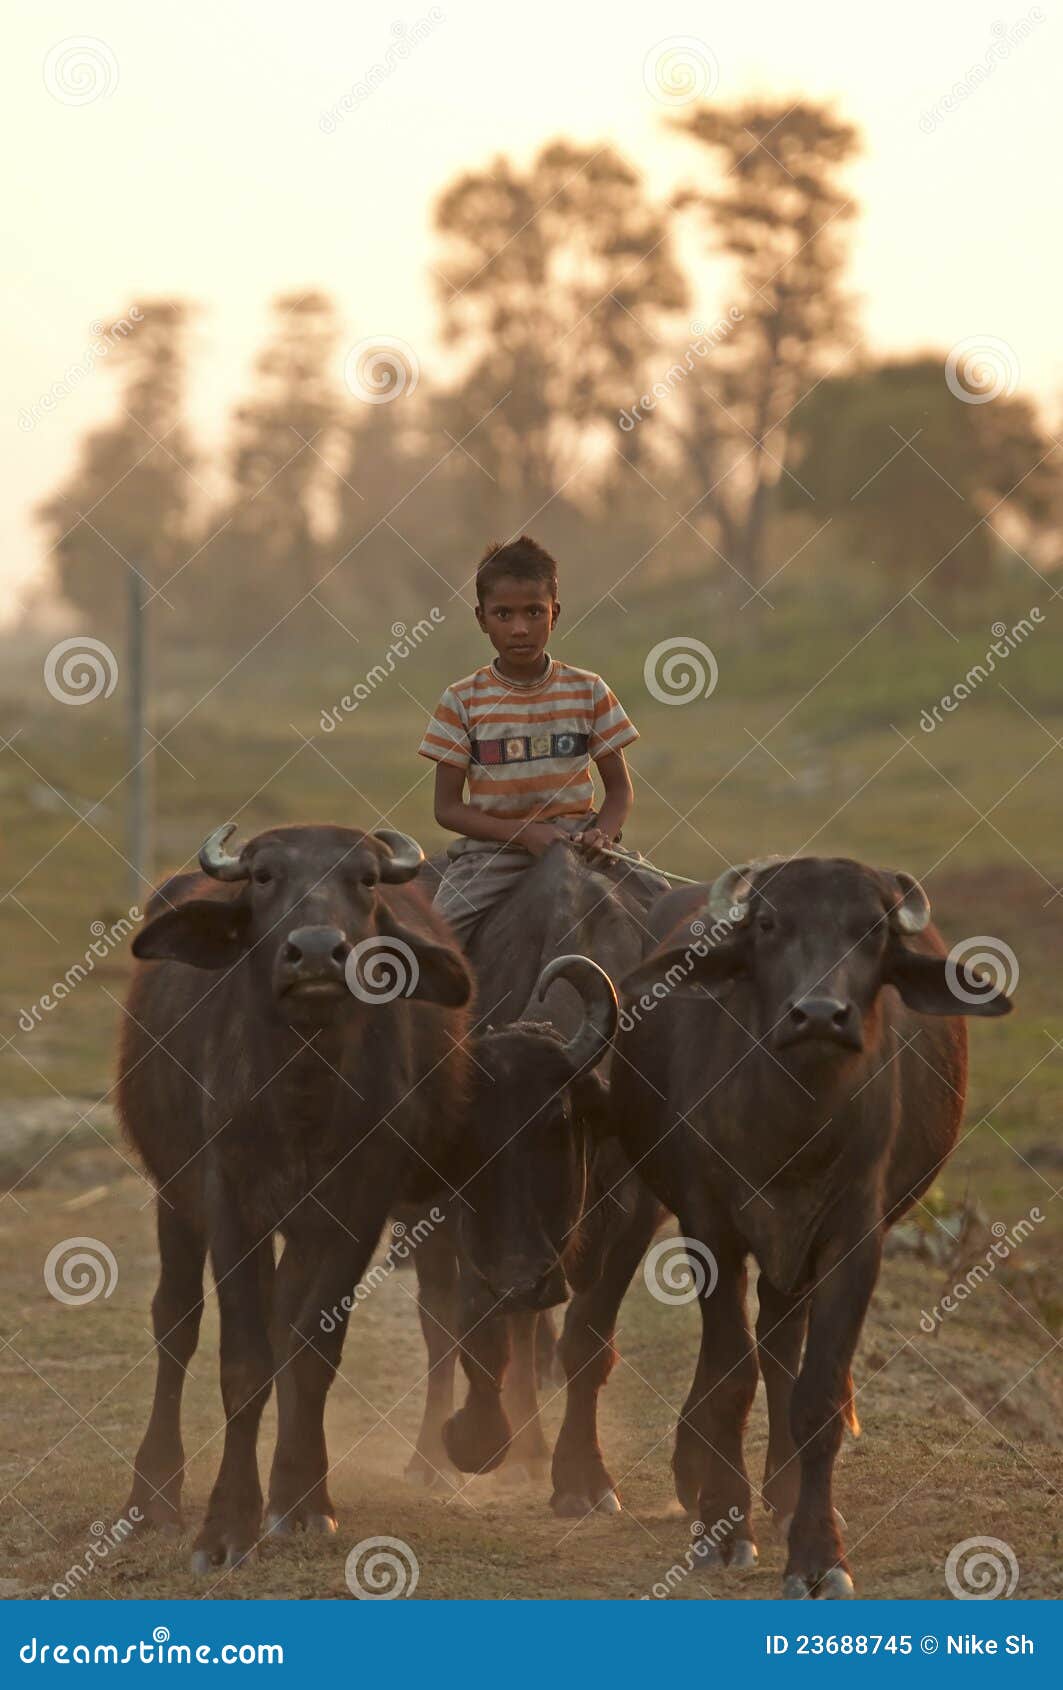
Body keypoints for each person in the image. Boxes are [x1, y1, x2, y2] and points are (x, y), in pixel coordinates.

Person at [419, 533, 647, 947]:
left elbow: (619, 791)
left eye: (534, 612)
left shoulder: (589, 690)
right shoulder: (461, 701)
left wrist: (604, 834)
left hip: (581, 842)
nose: (520, 628)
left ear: (554, 614)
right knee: (434, 946)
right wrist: (523, 834)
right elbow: (447, 809)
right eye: (503, 614)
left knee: (670, 918)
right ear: (481, 618)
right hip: (494, 854)